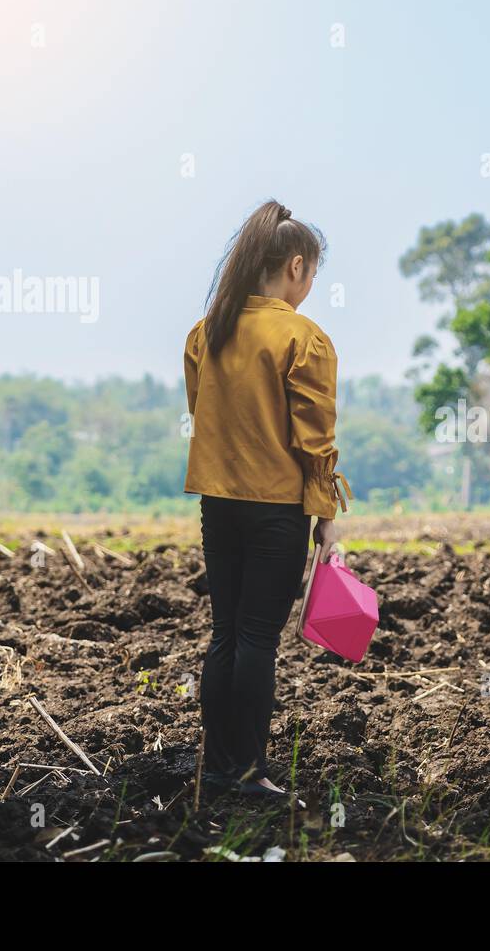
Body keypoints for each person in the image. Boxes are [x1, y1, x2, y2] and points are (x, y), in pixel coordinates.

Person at [183, 199, 348, 799]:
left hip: (217, 504)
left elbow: (203, 414)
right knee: (258, 639)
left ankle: (219, 770)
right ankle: (248, 774)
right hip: (276, 508)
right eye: (313, 277)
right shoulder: (304, 338)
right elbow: (314, 440)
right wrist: (325, 515)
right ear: (297, 267)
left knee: (225, 632)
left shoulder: (207, 332)